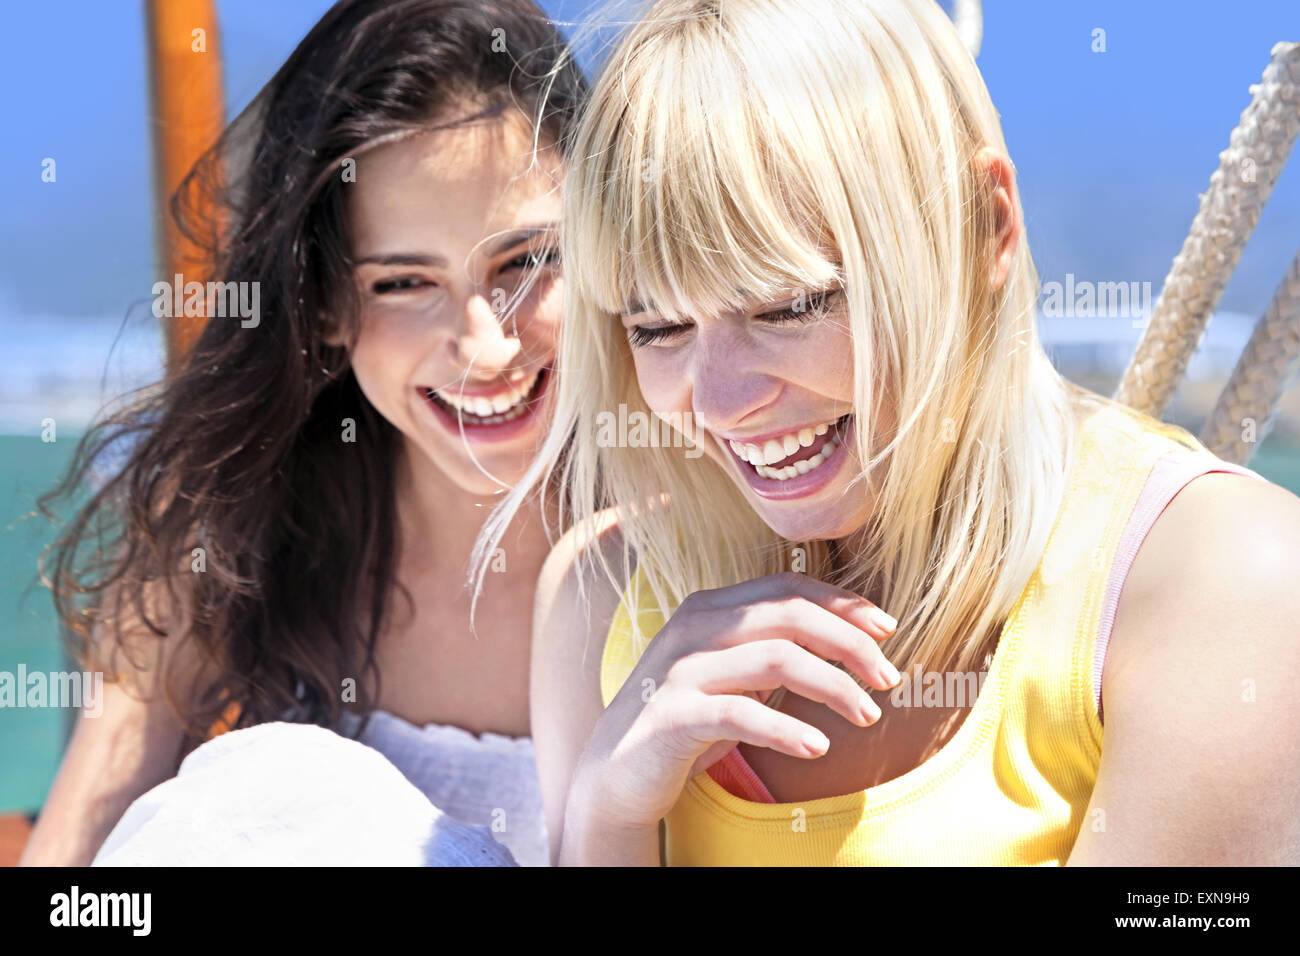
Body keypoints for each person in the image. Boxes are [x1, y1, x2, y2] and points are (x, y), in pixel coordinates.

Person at [479, 0, 1300, 865]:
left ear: (987, 226)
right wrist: (611, 803)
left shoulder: (1227, 589)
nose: (718, 403)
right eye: (656, 329)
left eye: (789, 306)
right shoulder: (604, 595)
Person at [23, 0, 586, 867]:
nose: (485, 344)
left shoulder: (699, 525)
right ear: (321, 304)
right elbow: (75, 878)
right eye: (404, 282)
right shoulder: (235, 525)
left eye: (525, 261)